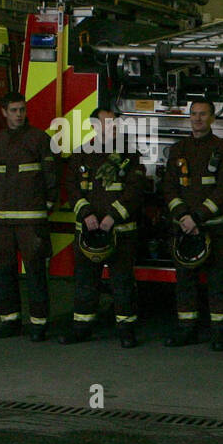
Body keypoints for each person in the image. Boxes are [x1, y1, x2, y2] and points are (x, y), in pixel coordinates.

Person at [59, 107, 145, 349]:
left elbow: (135, 189)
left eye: (115, 124)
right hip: (87, 231)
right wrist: (86, 214)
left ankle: (126, 330)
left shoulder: (129, 154)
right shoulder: (81, 155)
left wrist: (112, 217)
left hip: (121, 232)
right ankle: (81, 327)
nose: (112, 128)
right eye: (107, 124)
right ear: (94, 126)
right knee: (85, 281)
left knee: (122, 282)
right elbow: (72, 187)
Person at [162, 100, 223, 351]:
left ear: (213, 118)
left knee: (218, 284)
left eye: (203, 114)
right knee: (185, 283)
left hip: (214, 230)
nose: (197, 119)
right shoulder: (178, 149)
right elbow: (169, 187)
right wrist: (183, 215)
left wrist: (197, 217)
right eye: (193, 114)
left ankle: (219, 333)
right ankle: (187, 330)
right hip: (184, 230)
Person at [0, 91, 58, 341]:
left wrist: (47, 204)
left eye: (22, 109)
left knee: (35, 272)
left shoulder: (39, 138)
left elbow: (51, 174)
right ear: (4, 112)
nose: (19, 114)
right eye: (14, 110)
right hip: (2, 220)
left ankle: (39, 324)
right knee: (4, 271)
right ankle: (10, 321)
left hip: (31, 220)